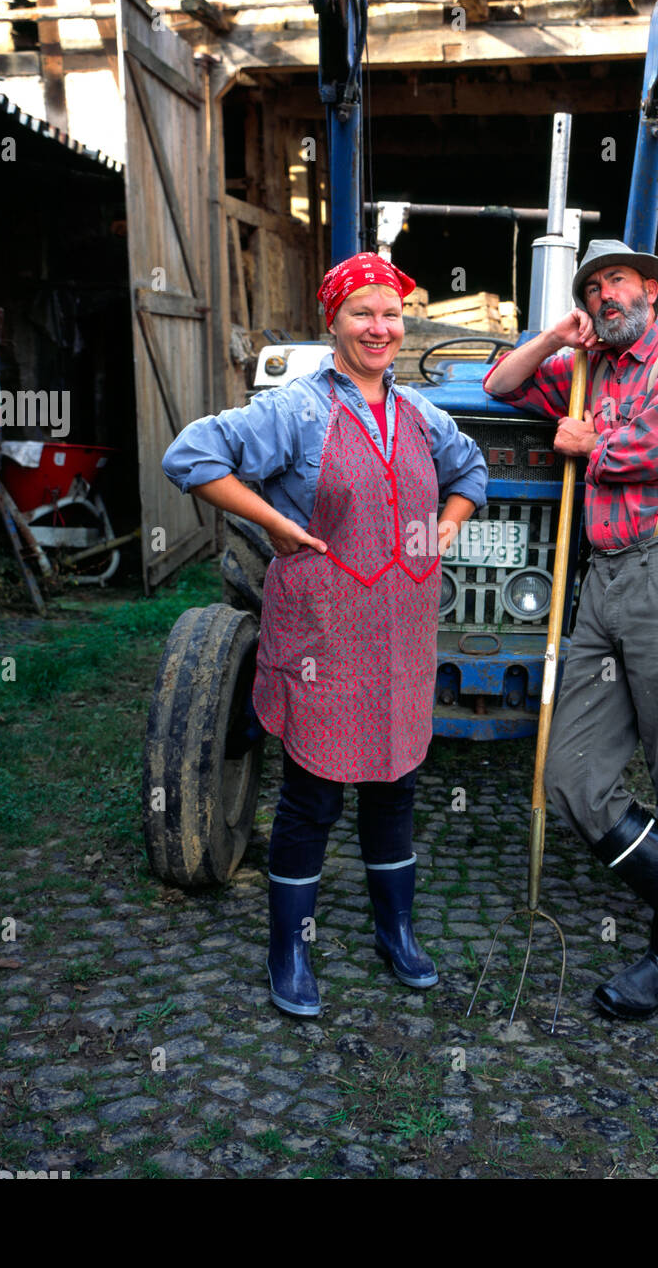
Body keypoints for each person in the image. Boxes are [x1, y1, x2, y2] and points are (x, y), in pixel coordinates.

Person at [163, 252, 487, 1017]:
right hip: (322, 639)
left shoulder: (422, 417)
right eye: (362, 313)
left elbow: (471, 470)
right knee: (311, 797)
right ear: (332, 322)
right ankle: (289, 950)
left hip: (401, 639)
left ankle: (396, 932)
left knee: (395, 786)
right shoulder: (296, 410)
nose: (380, 327)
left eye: (391, 313)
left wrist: (441, 530)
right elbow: (190, 455)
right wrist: (273, 523)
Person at [482, 238, 658, 1039]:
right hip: (602, 583)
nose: (606, 295)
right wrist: (553, 340)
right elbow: (503, 384)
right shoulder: (585, 371)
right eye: (594, 287)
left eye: (618, 282)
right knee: (568, 774)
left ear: (651, 290)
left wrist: (585, 443)